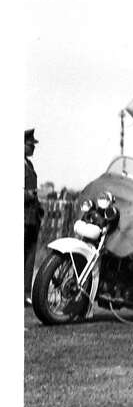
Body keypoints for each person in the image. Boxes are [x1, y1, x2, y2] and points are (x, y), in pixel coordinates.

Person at [24, 128, 44, 305]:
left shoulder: (29, 165)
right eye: (31, 144)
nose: (33, 148)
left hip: (31, 218)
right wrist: (28, 195)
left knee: (30, 258)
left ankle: (25, 294)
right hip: (22, 217)